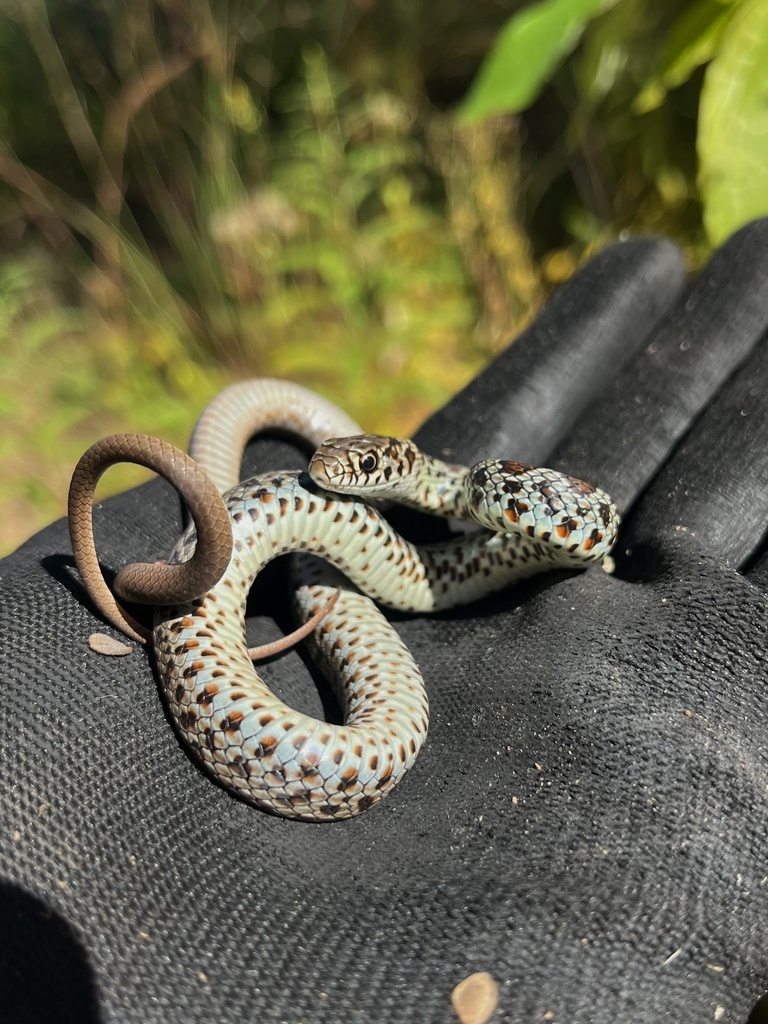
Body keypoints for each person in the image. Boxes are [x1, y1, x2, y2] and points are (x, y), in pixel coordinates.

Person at [1, 221, 767, 1024]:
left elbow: (491, 507)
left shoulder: (472, 488)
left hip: (439, 552)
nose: (338, 472)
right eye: (346, 464)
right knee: (284, 518)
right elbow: (335, 480)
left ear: (393, 470)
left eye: (360, 467)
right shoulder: (348, 489)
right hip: (314, 566)